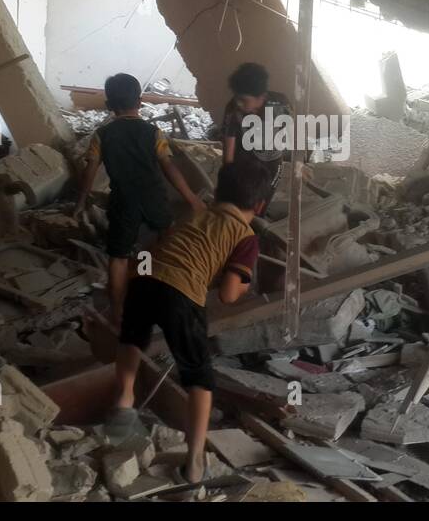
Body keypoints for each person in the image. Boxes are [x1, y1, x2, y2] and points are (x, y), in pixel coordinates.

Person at [108, 161, 267, 483]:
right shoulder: (246, 236)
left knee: (131, 341)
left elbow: (159, 247)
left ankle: (124, 400)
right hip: (181, 294)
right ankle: (194, 463)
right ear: (260, 205)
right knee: (200, 378)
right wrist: (245, 283)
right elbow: (228, 294)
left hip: (144, 278)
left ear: (220, 191)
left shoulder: (195, 213)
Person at [73, 73, 204, 323]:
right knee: (163, 246)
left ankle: (119, 312)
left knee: (119, 257)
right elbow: (169, 168)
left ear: (109, 105)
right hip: (155, 197)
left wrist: (80, 203)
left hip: (124, 201)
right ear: (140, 101)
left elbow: (90, 171)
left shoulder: (102, 135)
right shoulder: (153, 133)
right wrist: (192, 199)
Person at [220, 62, 290, 216]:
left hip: (271, 164)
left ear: (261, 97)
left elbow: (289, 139)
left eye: (243, 100)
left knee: (258, 210)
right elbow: (228, 155)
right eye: (236, 98)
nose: (238, 104)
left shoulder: (280, 105)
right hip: (242, 162)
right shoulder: (233, 108)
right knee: (236, 207)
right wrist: (227, 183)